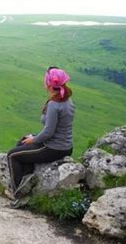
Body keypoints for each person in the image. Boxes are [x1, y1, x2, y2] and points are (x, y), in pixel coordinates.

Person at [6, 66, 75, 207]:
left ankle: (19, 196)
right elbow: (55, 129)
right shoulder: (66, 99)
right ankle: (28, 181)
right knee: (22, 143)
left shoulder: (55, 104)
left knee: (12, 155)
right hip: (63, 145)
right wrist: (34, 136)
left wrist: (35, 139)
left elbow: (49, 132)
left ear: (49, 83)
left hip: (54, 148)